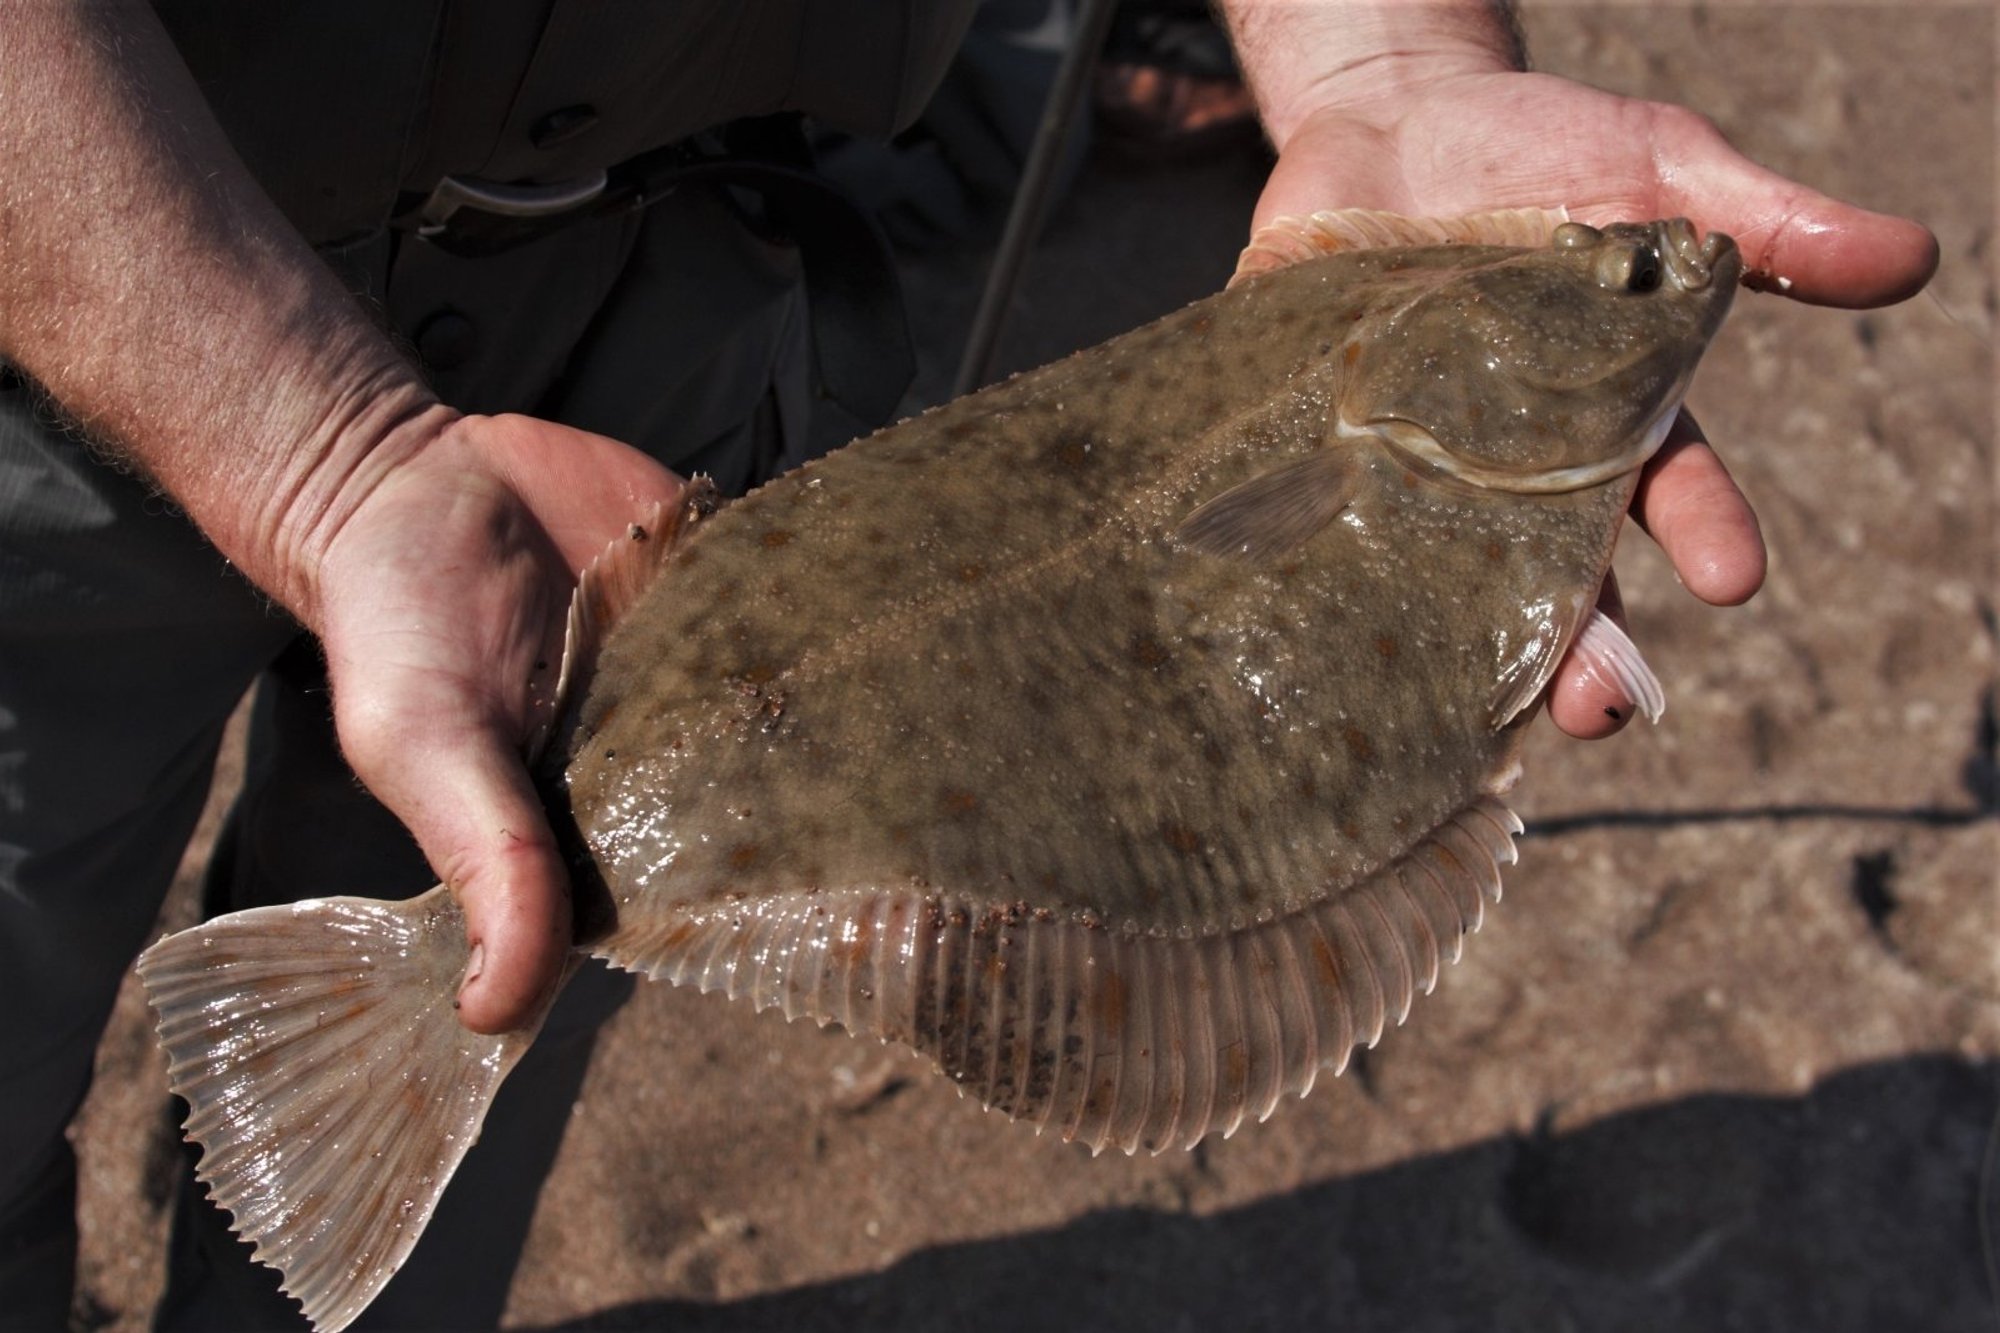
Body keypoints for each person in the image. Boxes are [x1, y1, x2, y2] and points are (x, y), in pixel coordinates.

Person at [0, 1, 1936, 1328]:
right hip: (85, 259)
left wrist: (1384, 54)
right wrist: (320, 457)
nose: (1659, 283)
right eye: (1622, 280)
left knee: (474, 1067)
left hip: (691, 266)